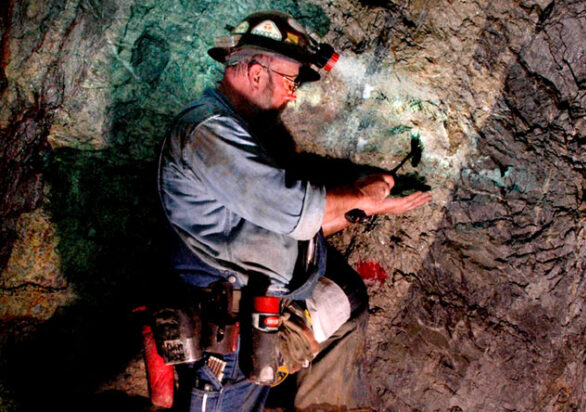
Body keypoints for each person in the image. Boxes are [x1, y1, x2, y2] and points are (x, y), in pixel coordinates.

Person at [156, 10, 431, 412]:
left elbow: (286, 226)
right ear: (255, 73)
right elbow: (291, 209)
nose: (293, 94)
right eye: (289, 80)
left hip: (262, 318)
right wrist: (358, 197)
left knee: (348, 295)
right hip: (223, 334)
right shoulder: (208, 133)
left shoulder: (242, 134)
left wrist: (365, 205)